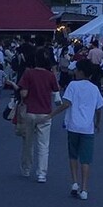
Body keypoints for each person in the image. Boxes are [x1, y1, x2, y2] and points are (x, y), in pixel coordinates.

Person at [55, 60, 103, 199]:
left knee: (73, 155)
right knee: (86, 159)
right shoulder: (94, 88)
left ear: (81, 72)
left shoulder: (73, 85)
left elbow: (66, 104)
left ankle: (74, 182)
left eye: (76, 70)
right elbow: (99, 108)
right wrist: (97, 122)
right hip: (87, 127)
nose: (75, 72)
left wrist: (51, 114)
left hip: (73, 126)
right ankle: (84, 189)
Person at [17, 47, 59, 182]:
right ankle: (42, 173)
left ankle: (26, 168)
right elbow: (55, 89)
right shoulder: (50, 75)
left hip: (30, 111)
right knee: (43, 144)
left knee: (27, 142)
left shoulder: (28, 73)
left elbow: (23, 93)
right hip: (45, 112)